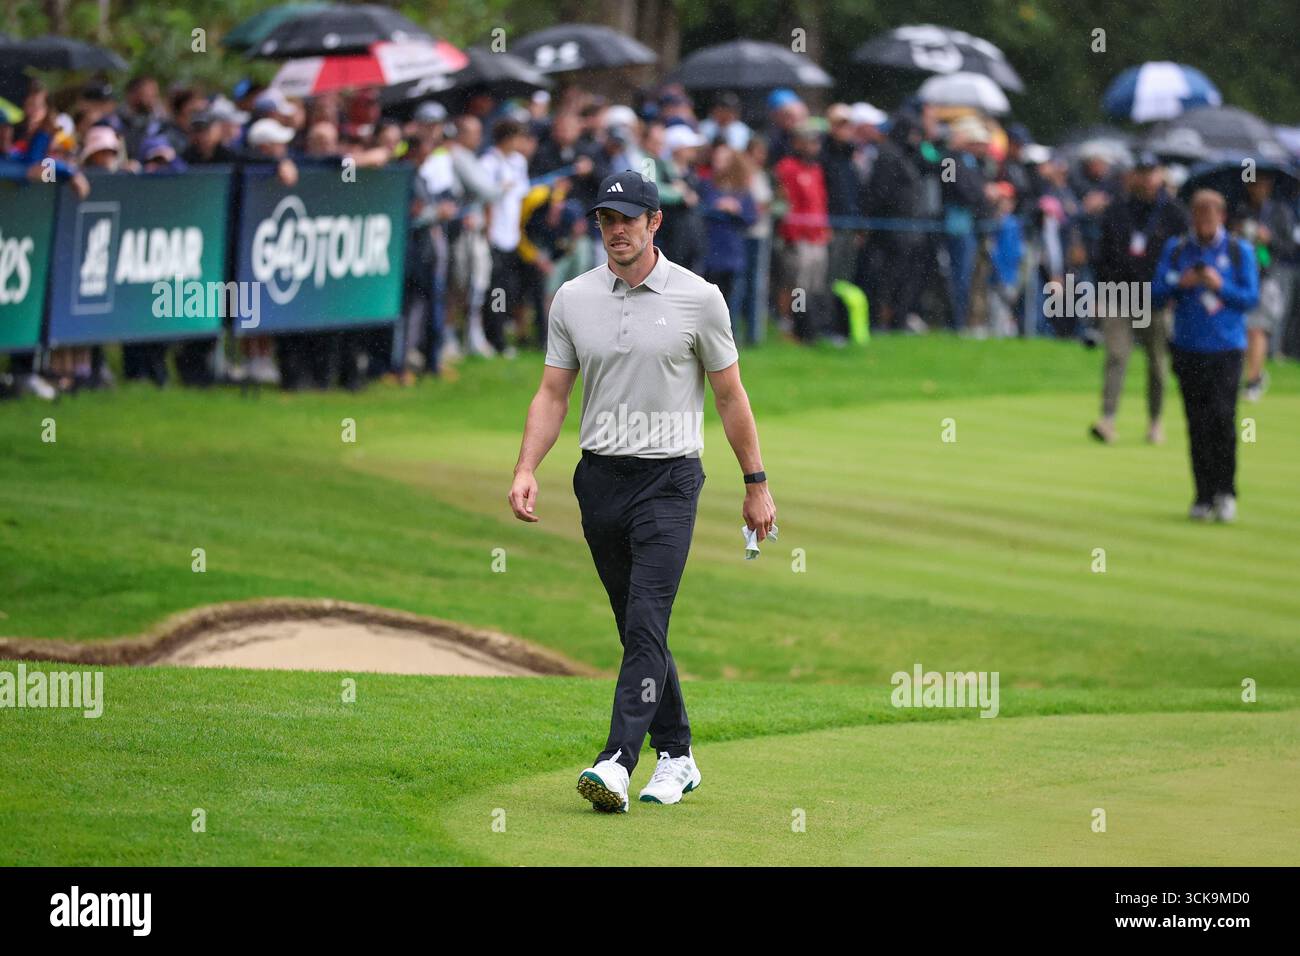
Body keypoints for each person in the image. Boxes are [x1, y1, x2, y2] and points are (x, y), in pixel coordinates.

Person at [507, 169, 776, 812]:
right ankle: (678, 754)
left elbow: (730, 394)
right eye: (606, 219)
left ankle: (617, 761)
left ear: (656, 223)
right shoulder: (572, 297)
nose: (617, 230)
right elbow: (552, 393)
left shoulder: (699, 298)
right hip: (598, 479)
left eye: (629, 219)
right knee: (638, 627)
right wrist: (525, 468)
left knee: (648, 619)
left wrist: (756, 483)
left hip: (669, 480)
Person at [1152, 189, 1259, 522]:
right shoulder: (1178, 249)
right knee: (1196, 423)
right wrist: (1179, 284)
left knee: (1222, 419)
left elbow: (1249, 298)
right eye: (1198, 218)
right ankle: (1202, 494)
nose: (1203, 225)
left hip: (1226, 347)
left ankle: (1225, 491)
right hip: (1188, 346)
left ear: (1221, 218)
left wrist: (1218, 285)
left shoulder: (1239, 251)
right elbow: (1155, 292)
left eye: (1209, 218)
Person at [1089, 152, 1188, 444]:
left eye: (1151, 172)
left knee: (1157, 363)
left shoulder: (1173, 213)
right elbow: (1102, 255)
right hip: (1118, 294)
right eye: (1141, 171)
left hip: (1155, 298)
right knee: (1116, 356)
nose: (1146, 178)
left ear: (1160, 175)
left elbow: (1182, 256)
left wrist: (1175, 293)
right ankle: (1107, 419)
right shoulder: (1118, 209)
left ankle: (1155, 422)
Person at [1231, 170, 1297, 400]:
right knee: (1241, 329)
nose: (1256, 188)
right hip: (1239, 276)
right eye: (1252, 184)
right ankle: (1247, 374)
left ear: (1268, 186)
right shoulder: (1240, 210)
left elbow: (1289, 247)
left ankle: (1253, 379)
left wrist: (1268, 239)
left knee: (1257, 329)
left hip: (1267, 277)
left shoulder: (1279, 212)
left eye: (1260, 184)